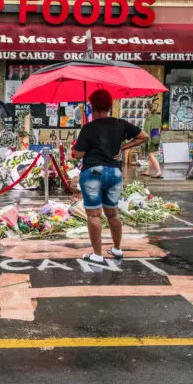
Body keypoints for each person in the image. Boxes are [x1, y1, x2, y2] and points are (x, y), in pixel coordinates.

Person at [72, 89, 149, 262]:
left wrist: (80, 145)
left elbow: (78, 154)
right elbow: (143, 136)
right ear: (109, 105)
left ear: (92, 106)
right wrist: (123, 147)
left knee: (93, 215)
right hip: (114, 173)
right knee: (113, 213)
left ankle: (97, 255)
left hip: (93, 172)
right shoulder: (120, 124)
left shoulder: (88, 127)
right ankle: (117, 249)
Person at [141, 103, 162, 178]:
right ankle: (148, 171)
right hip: (157, 137)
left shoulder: (148, 118)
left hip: (151, 138)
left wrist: (145, 140)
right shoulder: (158, 117)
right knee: (151, 154)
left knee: (151, 155)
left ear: (149, 109)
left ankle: (159, 171)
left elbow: (147, 130)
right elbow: (159, 129)